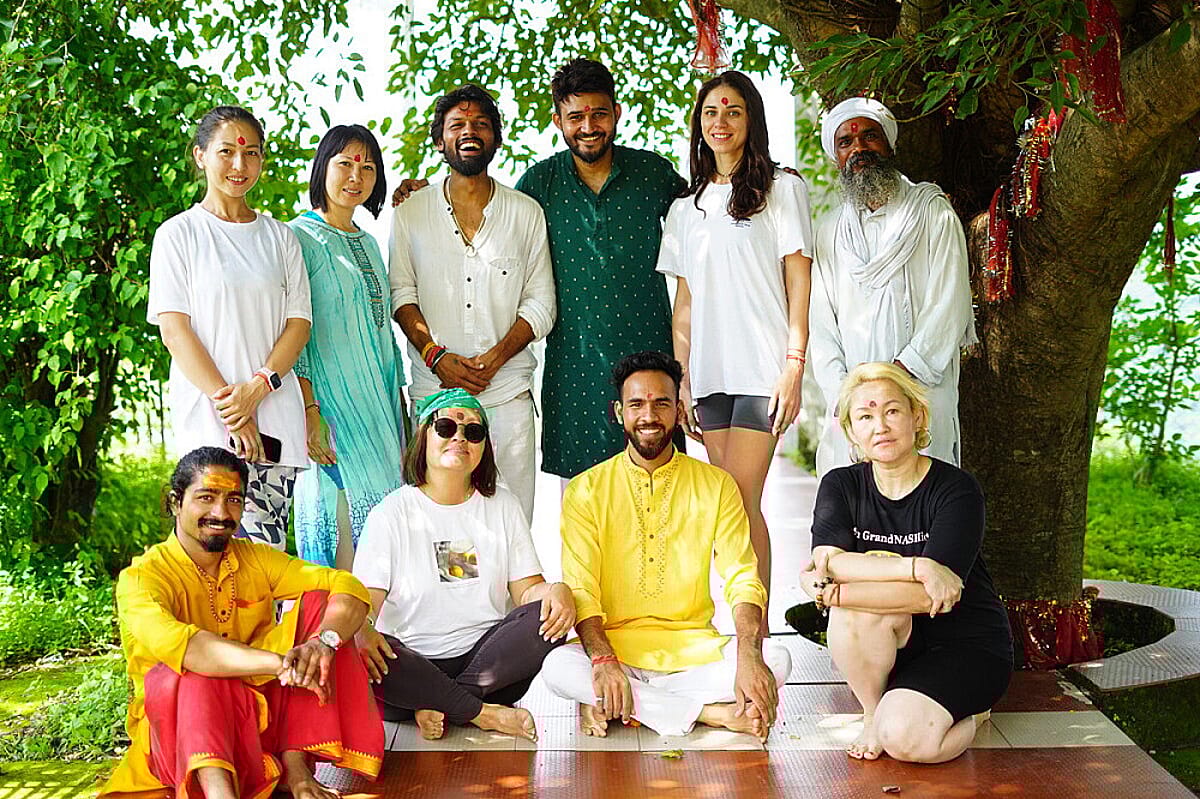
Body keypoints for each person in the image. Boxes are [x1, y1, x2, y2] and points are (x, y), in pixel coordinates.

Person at [100, 447, 383, 799]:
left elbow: (347, 584)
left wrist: (321, 643)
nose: (221, 513)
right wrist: (283, 664)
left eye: (233, 499)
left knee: (320, 601)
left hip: (257, 720)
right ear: (175, 502)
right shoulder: (143, 578)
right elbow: (193, 650)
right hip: (178, 737)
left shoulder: (254, 559)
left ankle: (295, 771)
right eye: (206, 497)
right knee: (191, 675)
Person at [541, 351, 792, 741]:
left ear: (678, 410)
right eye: (636, 404)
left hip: (694, 653)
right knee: (557, 667)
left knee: (776, 658)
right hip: (615, 652)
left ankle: (624, 704)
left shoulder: (716, 485)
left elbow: (743, 577)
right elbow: (582, 589)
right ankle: (711, 714)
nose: (649, 415)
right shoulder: (585, 490)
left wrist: (748, 651)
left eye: (661, 403)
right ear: (619, 411)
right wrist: (604, 661)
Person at [656, 71, 813, 617]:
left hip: (763, 373)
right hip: (709, 378)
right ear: (698, 124)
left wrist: (794, 366)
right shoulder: (685, 209)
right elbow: (685, 307)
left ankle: (755, 639)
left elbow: (799, 283)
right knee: (721, 509)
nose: (719, 121)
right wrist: (680, 381)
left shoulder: (783, 189)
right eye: (710, 112)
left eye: (733, 111)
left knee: (742, 503)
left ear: (751, 122)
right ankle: (730, 630)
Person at [802, 362, 1012, 763]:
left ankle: (975, 714)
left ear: (917, 417)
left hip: (967, 645)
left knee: (906, 742)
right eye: (865, 416)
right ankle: (871, 712)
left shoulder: (956, 490)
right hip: (896, 647)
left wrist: (836, 588)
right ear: (851, 431)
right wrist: (916, 567)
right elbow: (828, 558)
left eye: (892, 411)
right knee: (852, 615)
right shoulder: (841, 486)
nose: (879, 425)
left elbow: (930, 599)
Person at [352, 388, 575, 743]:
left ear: (483, 447)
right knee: (361, 643)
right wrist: (361, 629)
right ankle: (478, 713)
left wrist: (558, 591)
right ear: (423, 436)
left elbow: (528, 593)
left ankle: (442, 702)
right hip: (411, 666)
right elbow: (364, 605)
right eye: (446, 427)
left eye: (473, 431)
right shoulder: (390, 513)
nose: (459, 437)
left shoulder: (502, 504)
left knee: (547, 619)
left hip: (489, 666)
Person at [389, 85, 555, 522]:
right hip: (434, 396)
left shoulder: (526, 213)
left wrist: (497, 358)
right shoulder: (410, 213)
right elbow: (401, 294)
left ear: (497, 138)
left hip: (507, 398)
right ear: (439, 139)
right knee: (438, 524)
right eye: (457, 125)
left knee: (511, 524)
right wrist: (435, 355)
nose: (470, 132)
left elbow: (541, 304)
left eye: (481, 124)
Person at [515, 58, 687, 480]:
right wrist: (426, 191)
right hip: (574, 371)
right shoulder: (538, 184)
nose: (588, 126)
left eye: (598, 113)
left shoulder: (653, 174)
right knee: (581, 510)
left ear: (617, 113)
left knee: (661, 496)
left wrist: (765, 179)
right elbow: (489, 224)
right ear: (558, 120)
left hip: (651, 366)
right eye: (575, 116)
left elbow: (714, 210)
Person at [149, 105, 311, 549]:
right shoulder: (178, 235)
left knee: (263, 564)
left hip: (274, 424)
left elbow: (298, 324)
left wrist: (257, 389)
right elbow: (175, 331)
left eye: (252, 153)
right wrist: (233, 409)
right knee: (207, 559)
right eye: (227, 152)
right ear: (200, 155)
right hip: (208, 427)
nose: (240, 166)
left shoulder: (281, 238)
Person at [809, 97, 976, 477]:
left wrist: (899, 379)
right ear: (836, 158)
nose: (859, 149)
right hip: (856, 406)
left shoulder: (932, 212)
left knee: (924, 509)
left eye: (870, 137)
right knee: (856, 518)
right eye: (846, 143)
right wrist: (847, 394)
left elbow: (950, 304)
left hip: (922, 393)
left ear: (889, 144)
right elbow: (821, 325)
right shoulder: (830, 231)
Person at [290, 124, 407, 569]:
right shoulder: (298, 238)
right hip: (330, 412)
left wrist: (399, 411)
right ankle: (332, 637)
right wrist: (308, 410)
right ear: (323, 169)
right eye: (345, 163)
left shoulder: (371, 244)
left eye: (368, 166)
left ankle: (376, 637)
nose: (356, 175)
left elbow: (383, 334)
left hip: (381, 414)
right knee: (338, 530)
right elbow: (293, 331)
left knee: (384, 541)